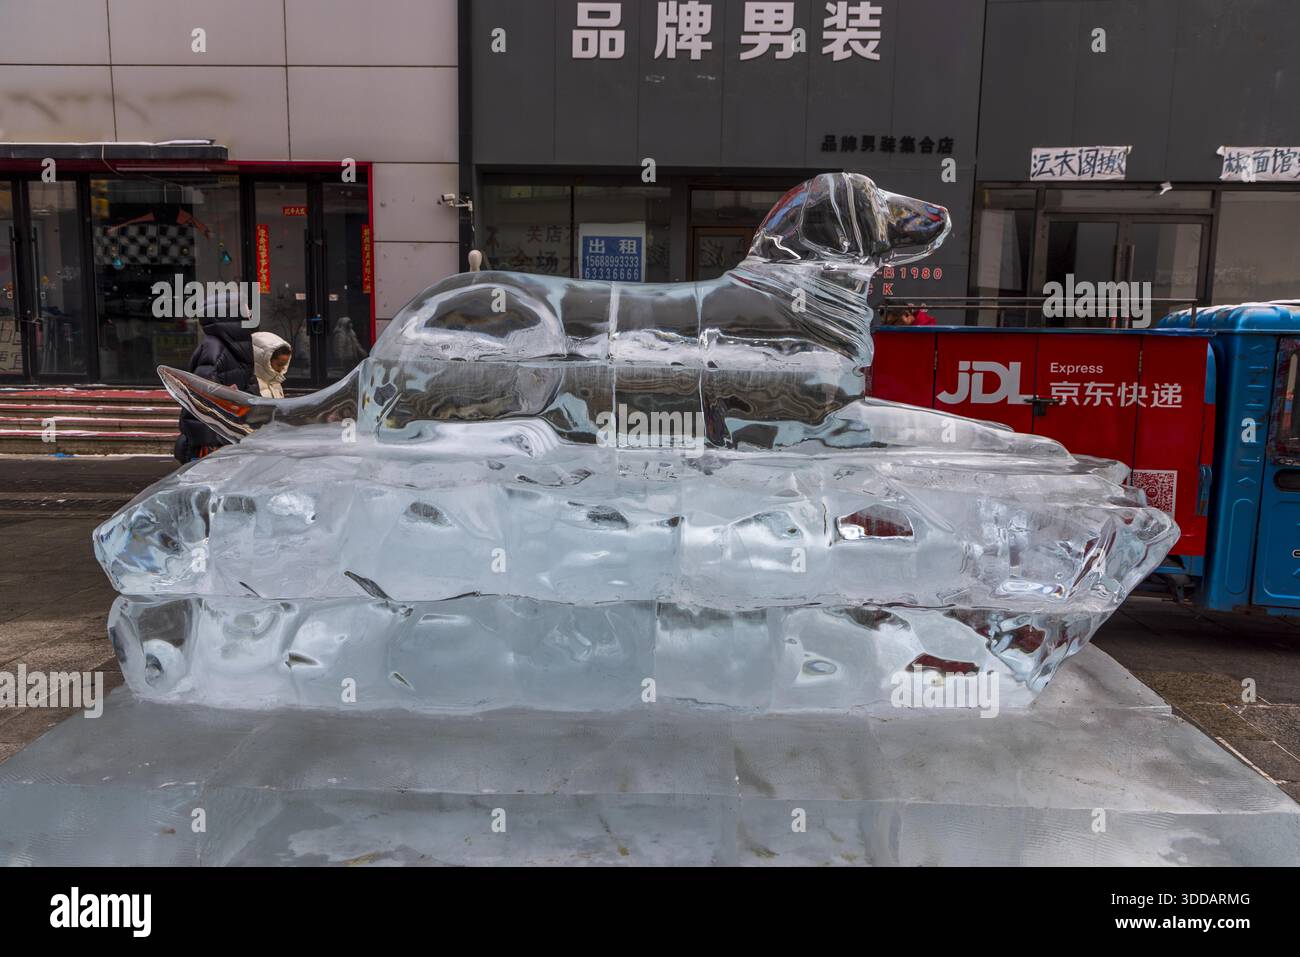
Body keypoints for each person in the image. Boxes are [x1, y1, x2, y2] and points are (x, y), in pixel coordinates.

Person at [173, 292, 254, 464]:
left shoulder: (235, 347)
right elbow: (202, 401)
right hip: (217, 443)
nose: (250, 311)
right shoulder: (214, 349)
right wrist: (209, 442)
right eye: (245, 307)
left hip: (230, 435)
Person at [253, 331, 292, 398]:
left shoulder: (276, 380)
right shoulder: (251, 383)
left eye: (284, 365)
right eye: (279, 364)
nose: (281, 369)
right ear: (266, 361)